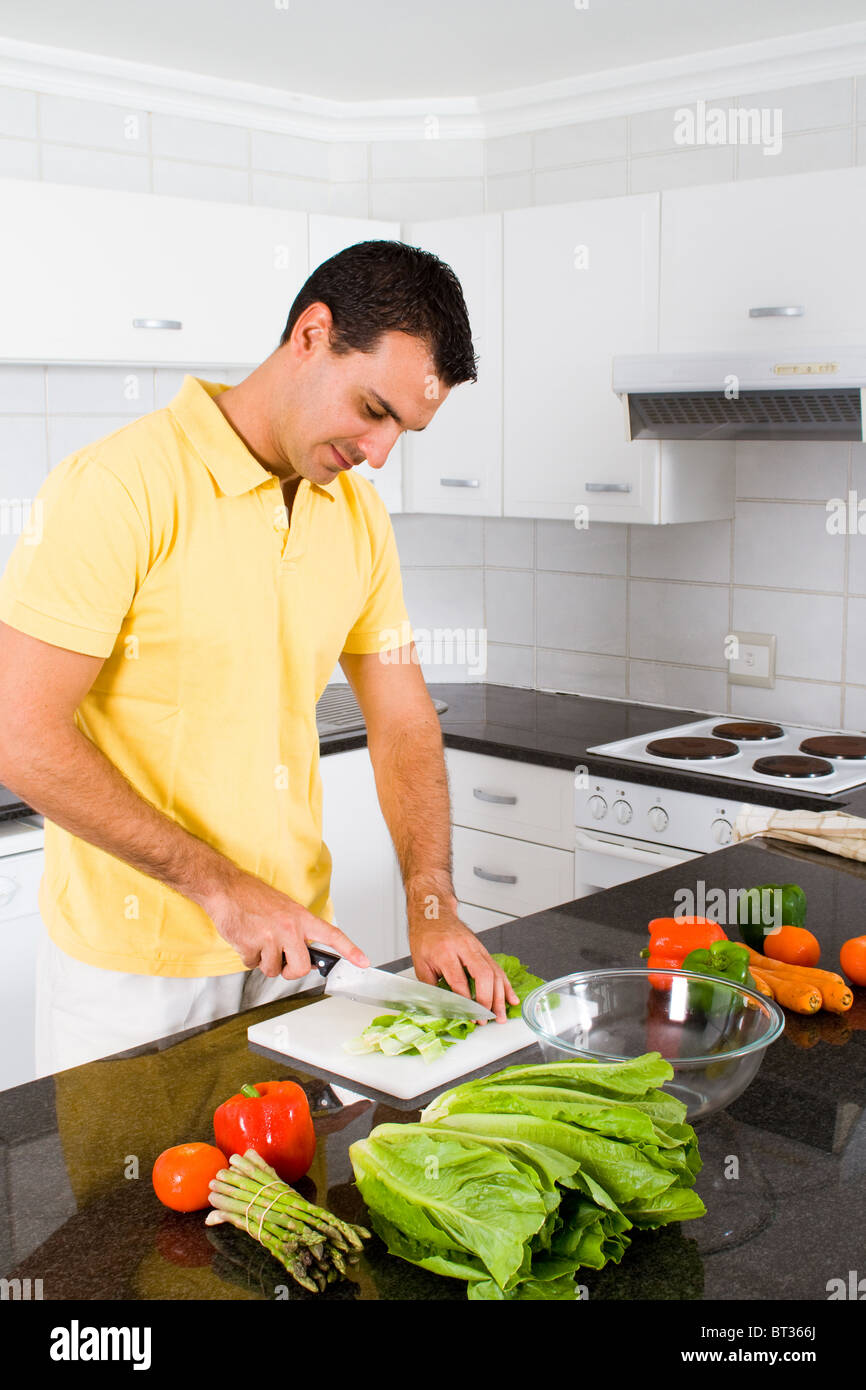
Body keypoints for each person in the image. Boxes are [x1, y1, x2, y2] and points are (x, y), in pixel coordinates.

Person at [0, 239, 518, 1074]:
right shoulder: (118, 487)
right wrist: (222, 889)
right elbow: (18, 734)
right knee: (134, 1206)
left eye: (405, 431)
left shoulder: (355, 516)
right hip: (138, 973)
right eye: (374, 410)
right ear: (311, 335)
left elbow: (402, 719)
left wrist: (431, 902)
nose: (379, 453)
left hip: (291, 956)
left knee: (287, 1199)